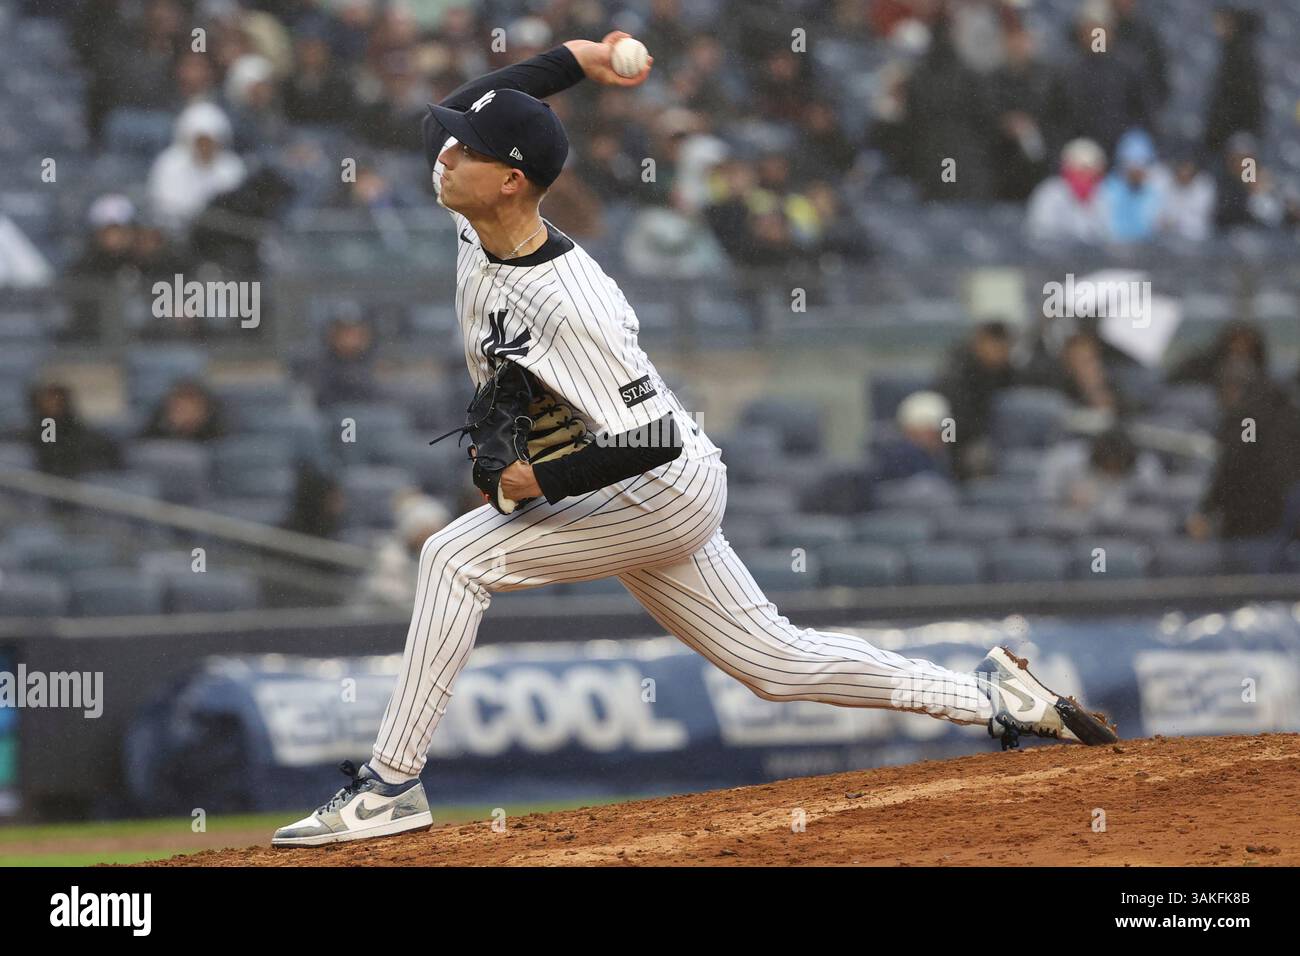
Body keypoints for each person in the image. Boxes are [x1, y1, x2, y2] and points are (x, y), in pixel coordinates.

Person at [270, 31, 1117, 848]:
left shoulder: (575, 304)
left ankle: (390, 787)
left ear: (512, 182)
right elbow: (447, 111)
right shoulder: (472, 211)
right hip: (628, 485)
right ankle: (995, 698)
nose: (442, 156)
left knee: (455, 559)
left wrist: (531, 485)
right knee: (776, 664)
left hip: (658, 486)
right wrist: (580, 59)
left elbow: (654, 437)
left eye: (466, 152)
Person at [1025, 139, 1109, 245]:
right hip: (1050, 257)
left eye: (1094, 171)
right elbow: (1040, 235)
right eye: (1083, 170)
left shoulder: (1103, 194)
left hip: (1090, 258)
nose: (1089, 176)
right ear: (1068, 169)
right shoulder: (1050, 193)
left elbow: (1107, 236)